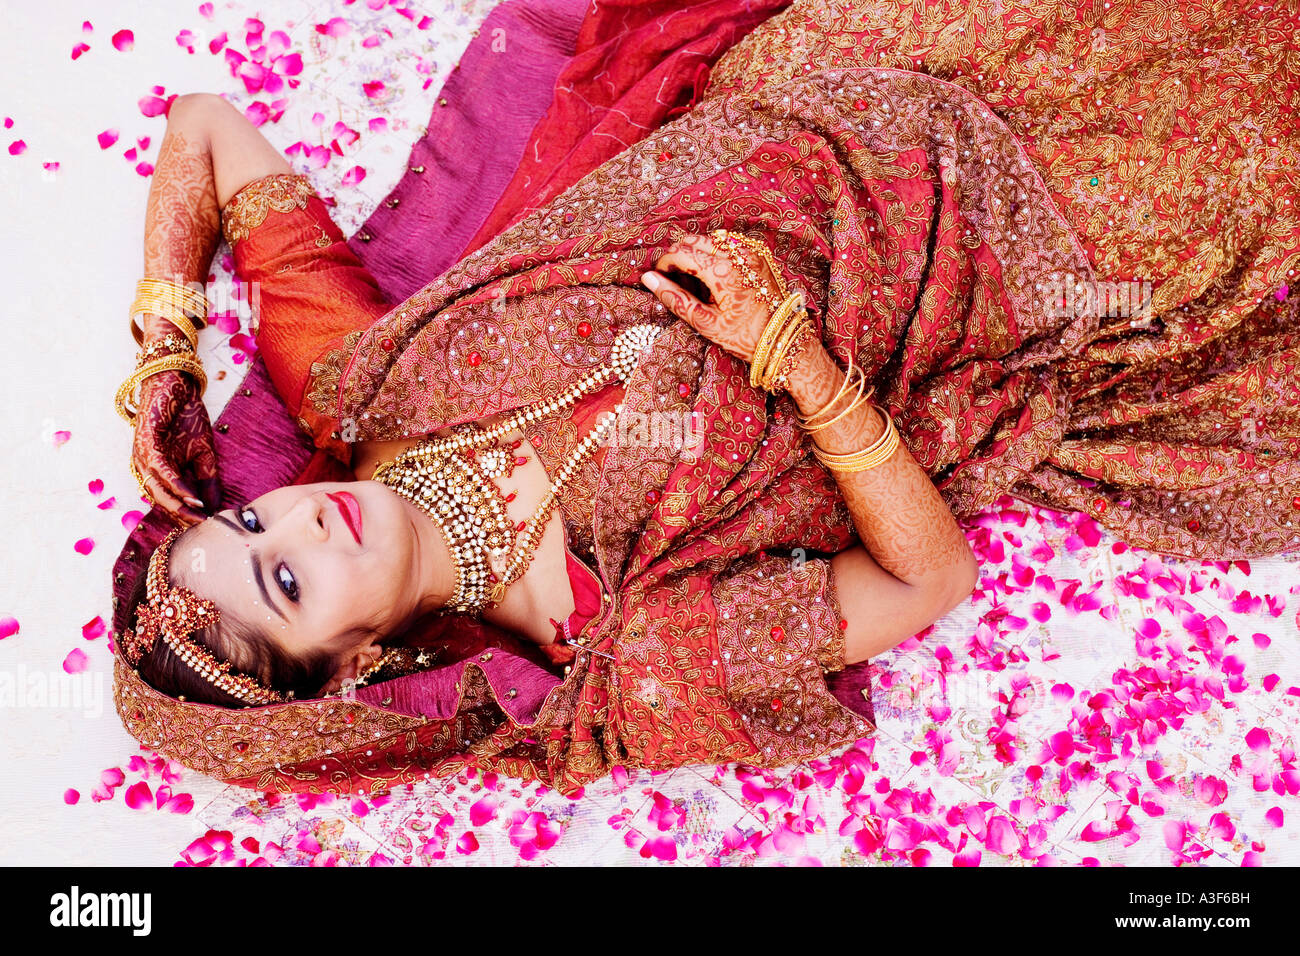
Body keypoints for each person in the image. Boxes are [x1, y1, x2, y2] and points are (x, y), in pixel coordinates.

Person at [112, 0, 1300, 795]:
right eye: (284, 582)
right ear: (351, 669)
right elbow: (925, 579)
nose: (301, 521)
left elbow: (208, 129)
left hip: (859, 76)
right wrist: (798, 365)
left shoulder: (358, 386)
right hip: (995, 263)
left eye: (251, 521)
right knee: (1243, 145)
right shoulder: (626, 659)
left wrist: (166, 342)